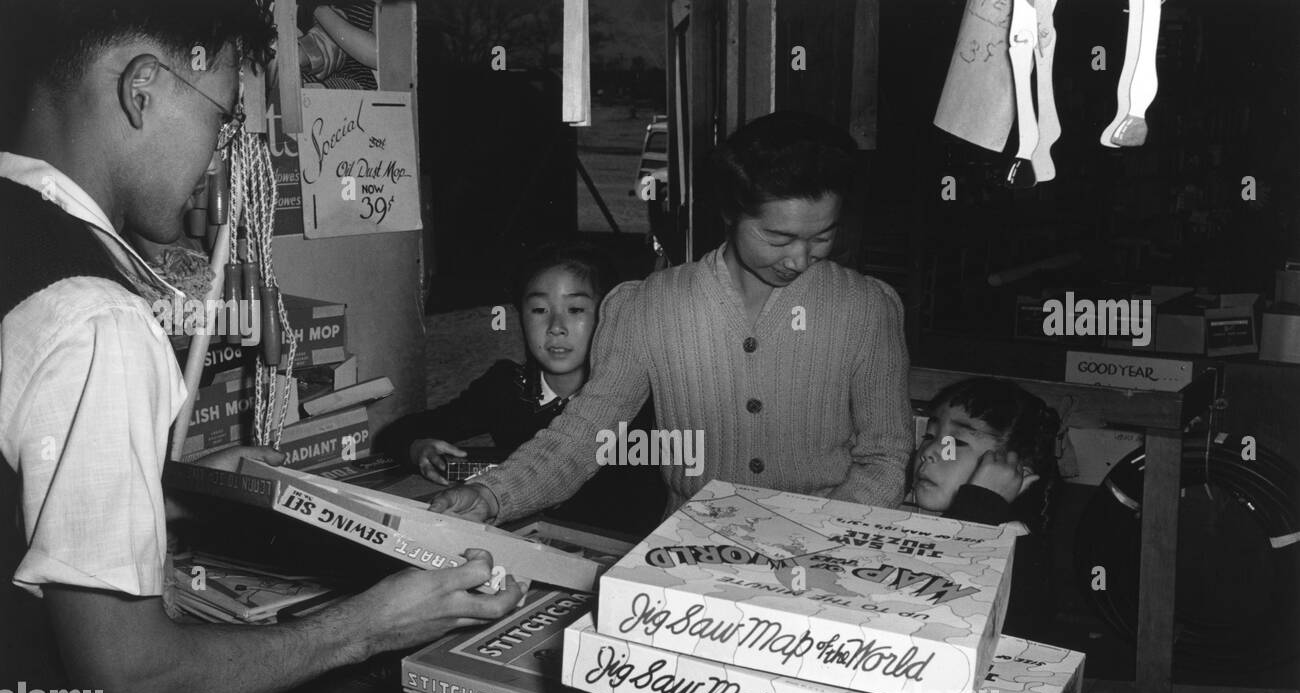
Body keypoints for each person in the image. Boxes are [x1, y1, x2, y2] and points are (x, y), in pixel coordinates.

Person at [0, 0, 522, 693]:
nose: (220, 160)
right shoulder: (95, 319)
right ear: (143, 90)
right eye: (222, 121)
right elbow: (126, 682)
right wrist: (372, 623)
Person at [429, 111, 913, 525]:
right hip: (686, 555)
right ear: (730, 213)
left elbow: (885, 457)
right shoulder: (649, 306)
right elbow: (583, 438)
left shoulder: (866, 309)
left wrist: (821, 538)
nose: (799, 259)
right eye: (778, 238)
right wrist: (493, 495)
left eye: (822, 237)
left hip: (826, 547)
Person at [377, 243, 667, 535]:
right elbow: (396, 433)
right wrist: (418, 449)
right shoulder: (506, 387)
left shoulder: (637, 401)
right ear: (520, 317)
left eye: (576, 309)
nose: (556, 326)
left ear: (609, 317)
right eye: (539, 310)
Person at [910, 377, 1062, 641]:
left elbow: (933, 602)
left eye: (955, 443)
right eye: (929, 436)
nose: (929, 451)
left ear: (1012, 471)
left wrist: (982, 502)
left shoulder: (1020, 552)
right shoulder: (957, 523)